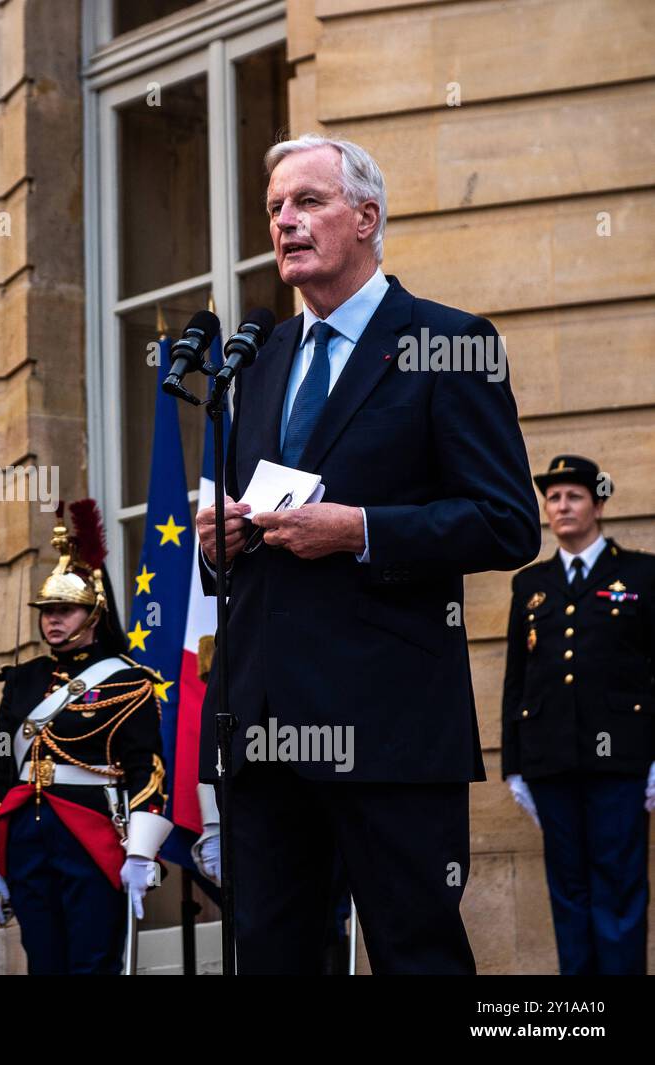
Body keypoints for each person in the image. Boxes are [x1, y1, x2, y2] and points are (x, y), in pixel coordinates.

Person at [194, 133, 539, 974]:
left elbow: (506, 521)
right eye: (274, 207)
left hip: (387, 724)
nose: (285, 222)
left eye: (307, 201)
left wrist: (362, 530)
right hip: (266, 727)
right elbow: (253, 523)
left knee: (415, 952)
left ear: (367, 216)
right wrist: (220, 543)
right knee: (271, 955)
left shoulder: (449, 343)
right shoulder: (260, 360)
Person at [0, 500, 171, 974]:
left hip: (90, 828)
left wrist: (141, 853)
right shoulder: (22, 679)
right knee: (42, 959)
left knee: (93, 958)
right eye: (47, 611)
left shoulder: (126, 680)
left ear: (93, 615)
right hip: (26, 832)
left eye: (65, 610)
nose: (53, 620)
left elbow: (146, 768)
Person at [501, 455, 655, 975]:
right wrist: (513, 762)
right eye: (553, 497)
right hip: (551, 759)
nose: (560, 505)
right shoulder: (531, 584)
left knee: (618, 886)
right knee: (567, 891)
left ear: (599, 503)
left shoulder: (641, 573)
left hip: (622, 763)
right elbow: (517, 677)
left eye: (573, 496)